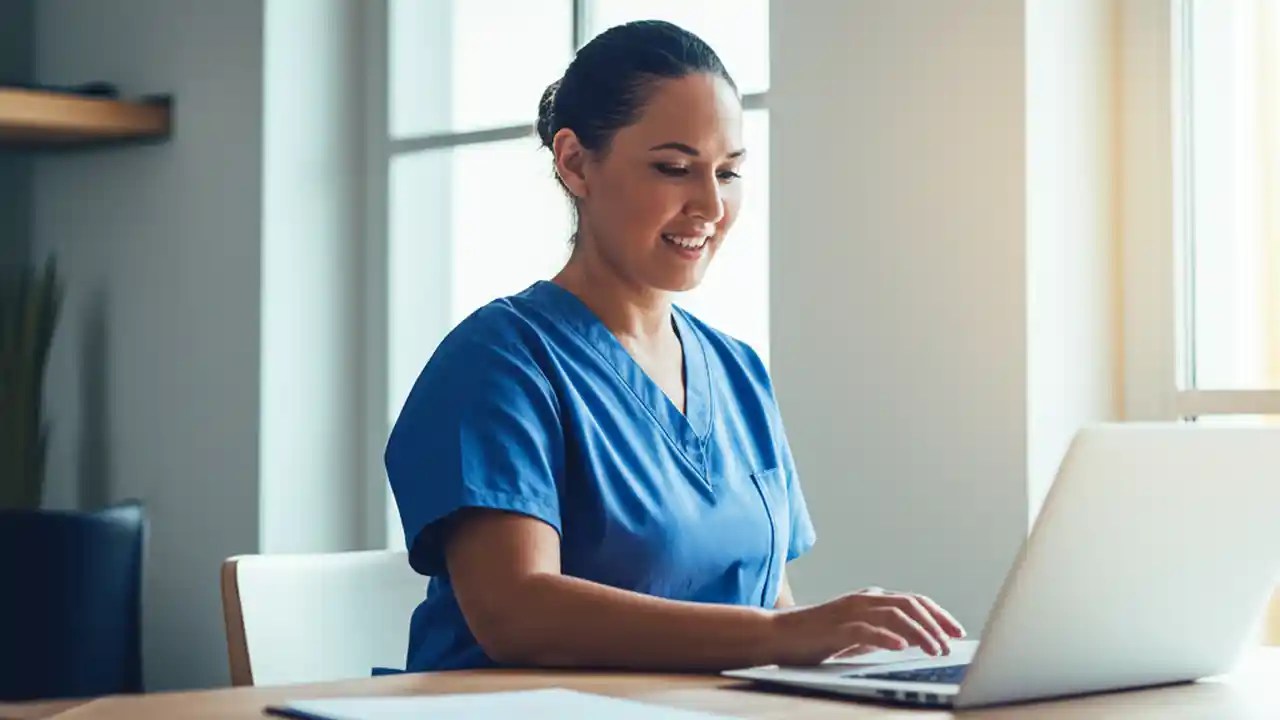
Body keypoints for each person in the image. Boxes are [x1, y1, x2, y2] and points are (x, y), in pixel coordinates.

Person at [385, 20, 965, 674]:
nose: (711, 205)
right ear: (575, 162)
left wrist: (840, 659)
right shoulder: (499, 361)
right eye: (674, 168)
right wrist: (783, 635)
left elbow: (765, 601)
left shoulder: (738, 372)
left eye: (728, 172)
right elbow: (518, 615)